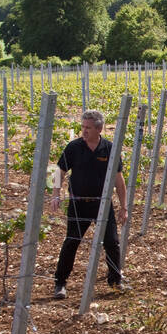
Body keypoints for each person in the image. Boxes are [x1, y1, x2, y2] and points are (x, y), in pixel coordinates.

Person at [51, 109, 127, 299]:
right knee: (72, 241)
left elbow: (119, 179)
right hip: (78, 204)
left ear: (99, 129)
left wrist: (124, 206)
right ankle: (60, 283)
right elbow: (59, 171)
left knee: (112, 242)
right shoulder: (73, 147)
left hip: (103, 203)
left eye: (88, 128)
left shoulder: (110, 148)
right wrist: (55, 194)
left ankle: (116, 281)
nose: (83, 131)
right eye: (82, 127)